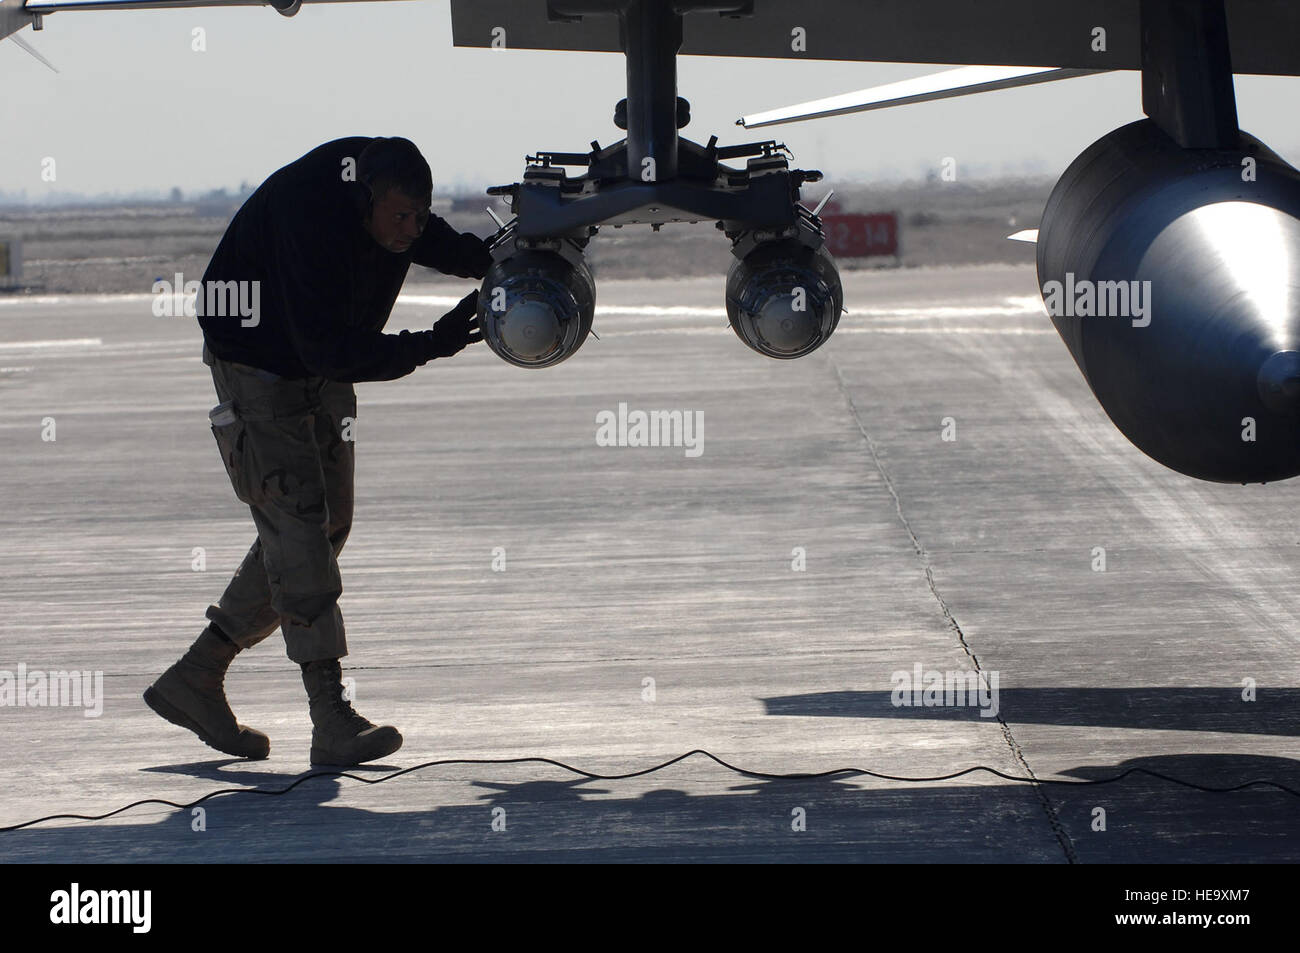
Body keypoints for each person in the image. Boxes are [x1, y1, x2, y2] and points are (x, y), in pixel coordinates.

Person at [144, 136, 490, 766]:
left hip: (317, 354)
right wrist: (431, 343)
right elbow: (327, 351)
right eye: (399, 218)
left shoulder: (387, 198)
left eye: (419, 216)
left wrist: (499, 260)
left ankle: (197, 676)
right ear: (364, 202)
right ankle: (330, 718)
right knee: (299, 526)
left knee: (325, 522)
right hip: (259, 362)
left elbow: (426, 235)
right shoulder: (312, 220)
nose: (410, 232)